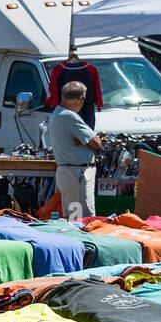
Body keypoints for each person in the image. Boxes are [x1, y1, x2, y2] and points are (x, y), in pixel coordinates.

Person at [50, 80, 101, 220]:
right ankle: (82, 241)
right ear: (81, 99)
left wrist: (83, 141)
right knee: (82, 218)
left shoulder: (57, 113)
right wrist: (87, 141)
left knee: (73, 216)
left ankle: (76, 240)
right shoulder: (69, 116)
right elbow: (96, 142)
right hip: (77, 173)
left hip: (70, 172)